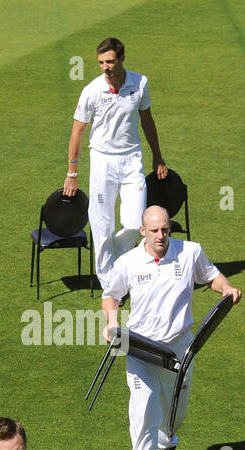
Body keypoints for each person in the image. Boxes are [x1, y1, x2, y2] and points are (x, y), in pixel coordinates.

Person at [101, 206, 241, 450]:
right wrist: (110, 322)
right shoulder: (128, 263)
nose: (161, 236)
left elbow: (212, 276)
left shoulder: (190, 252)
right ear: (143, 232)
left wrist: (227, 287)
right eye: (154, 231)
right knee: (143, 418)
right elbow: (111, 296)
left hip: (180, 349)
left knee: (176, 410)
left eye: (165, 230)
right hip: (141, 352)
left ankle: (167, 444)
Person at [64, 37, 168, 289]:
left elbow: (147, 121)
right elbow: (77, 131)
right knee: (102, 226)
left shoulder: (140, 83)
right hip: (103, 162)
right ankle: (109, 284)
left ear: (121, 59)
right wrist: (72, 172)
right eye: (101, 62)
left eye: (110, 61)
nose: (105, 67)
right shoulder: (91, 90)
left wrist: (157, 156)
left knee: (135, 225)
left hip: (133, 161)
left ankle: (116, 265)